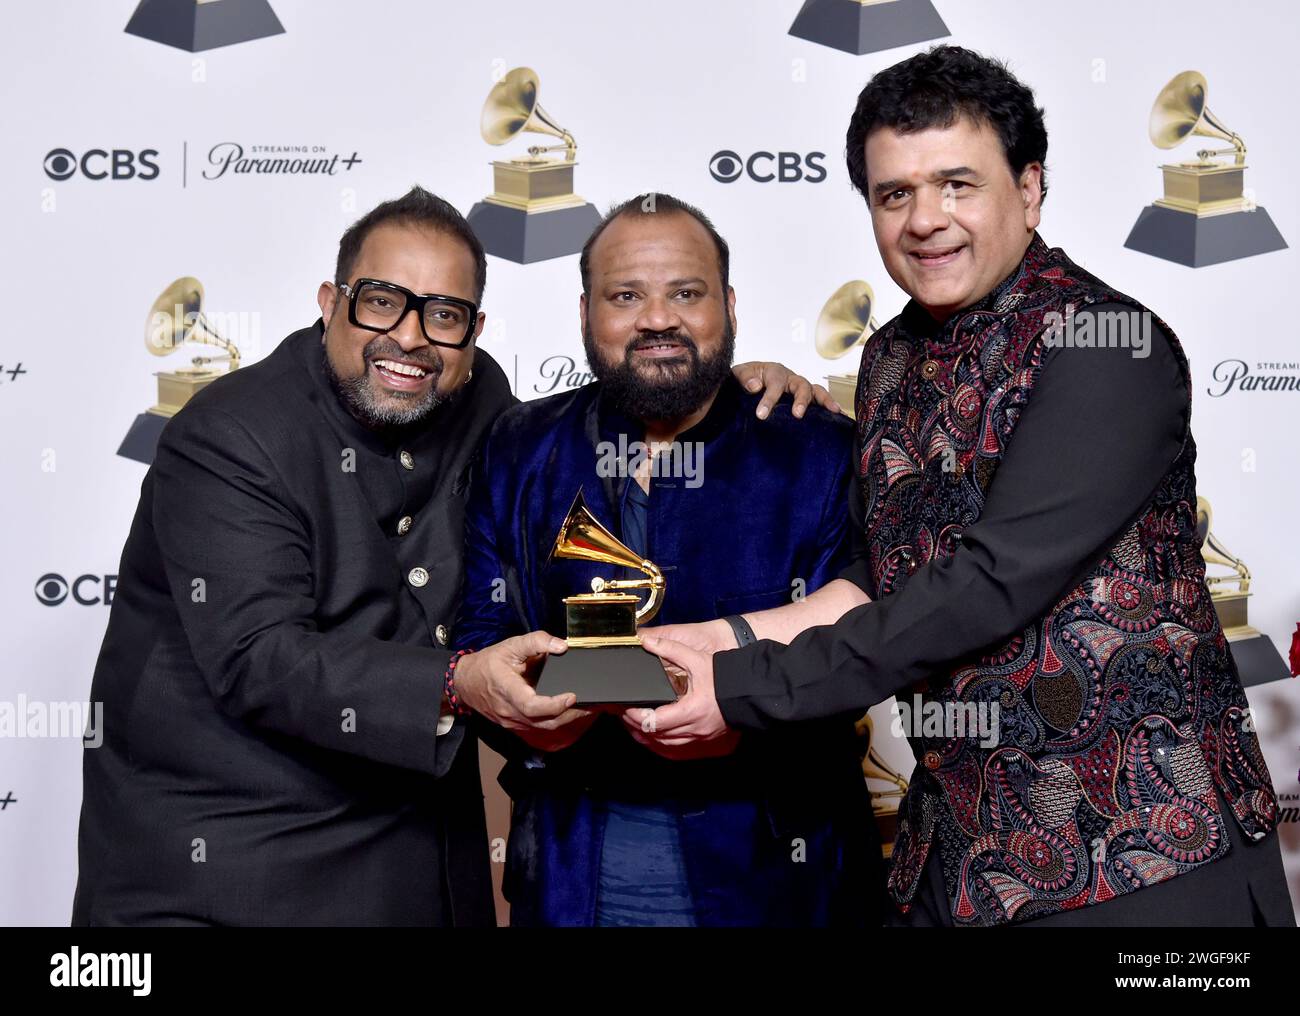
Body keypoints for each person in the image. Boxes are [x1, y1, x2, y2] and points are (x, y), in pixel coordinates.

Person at [635, 46, 1294, 928]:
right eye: (894, 193)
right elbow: (887, 577)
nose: (924, 220)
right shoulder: (889, 357)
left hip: (1146, 864)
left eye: (958, 184)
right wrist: (719, 642)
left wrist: (749, 687)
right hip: (961, 864)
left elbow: (987, 581)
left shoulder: (1108, 345)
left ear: (1028, 189)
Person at [72, 185, 835, 926]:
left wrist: (735, 391)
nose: (409, 336)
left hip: (414, 856)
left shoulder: (483, 402)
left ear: (472, 331)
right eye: (380, 300)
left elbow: (641, 404)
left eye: (443, 315)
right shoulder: (228, 434)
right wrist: (457, 682)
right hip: (231, 866)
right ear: (330, 300)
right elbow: (256, 656)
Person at [452, 193, 877, 927]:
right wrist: (511, 705)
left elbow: (868, 645)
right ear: (586, 312)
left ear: (730, 306)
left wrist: (744, 705)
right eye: (626, 296)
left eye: (687, 292)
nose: (657, 319)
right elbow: (481, 632)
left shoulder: (821, 451)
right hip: (568, 883)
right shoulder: (516, 446)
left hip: (782, 887)